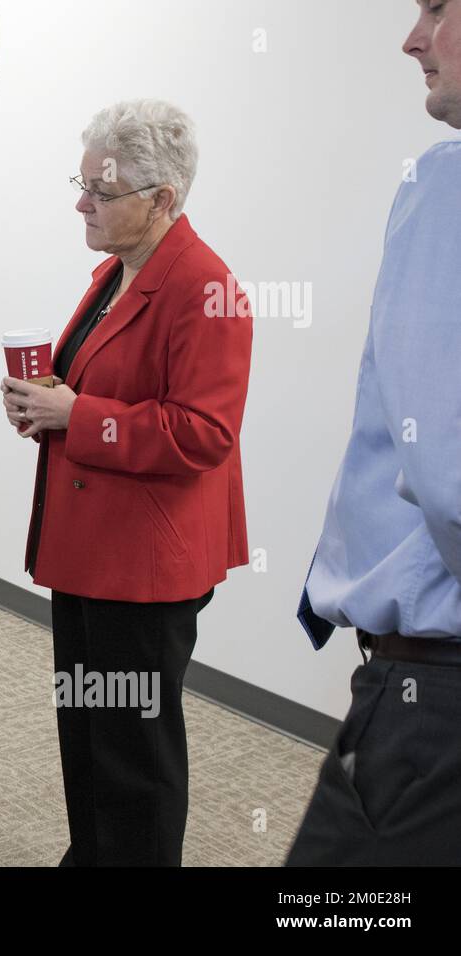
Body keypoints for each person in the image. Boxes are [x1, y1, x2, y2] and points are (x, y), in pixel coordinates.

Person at [2, 99, 253, 866]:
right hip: (90, 553)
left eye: (100, 192)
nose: (82, 203)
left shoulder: (209, 290)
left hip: (144, 567)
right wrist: (51, 406)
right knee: (86, 731)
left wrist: (79, 418)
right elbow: (106, 389)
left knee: (134, 757)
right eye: (80, 185)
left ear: (162, 200)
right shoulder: (119, 270)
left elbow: (203, 435)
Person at [290, 0, 461, 866]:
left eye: (438, 6)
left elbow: (451, 481)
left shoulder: (451, 183)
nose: (411, 36)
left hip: (433, 693)